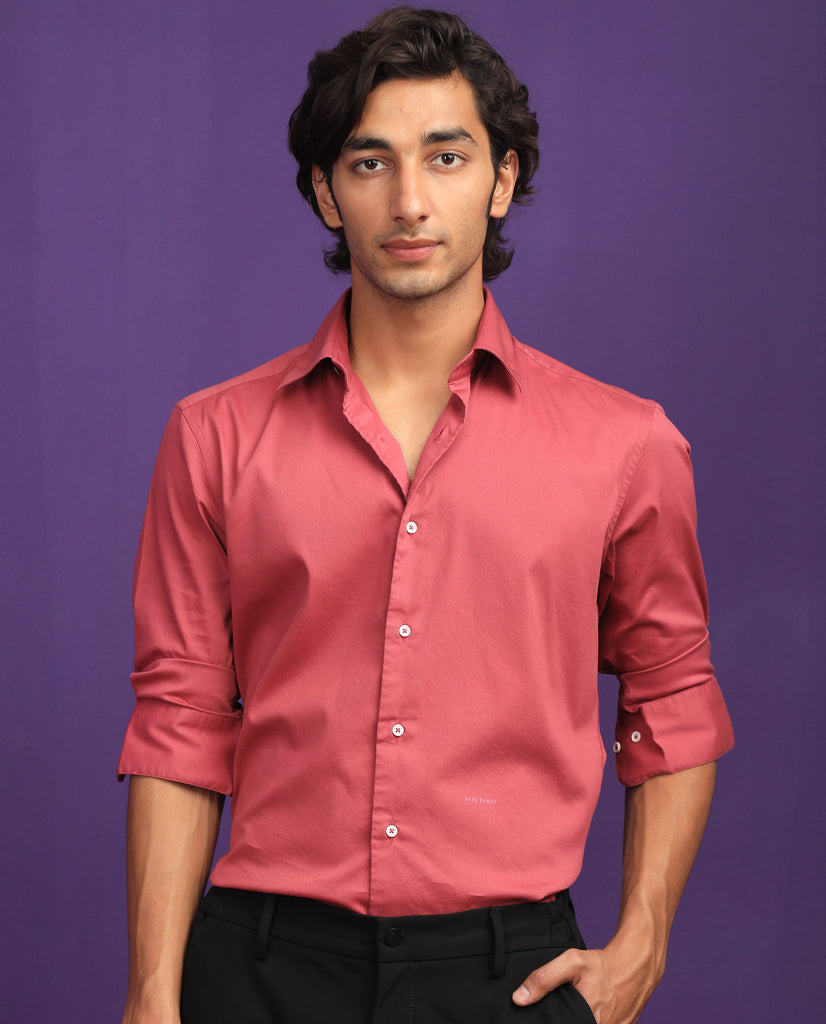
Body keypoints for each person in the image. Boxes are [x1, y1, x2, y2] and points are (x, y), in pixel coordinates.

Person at [118, 7, 733, 1024]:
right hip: (261, 967)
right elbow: (181, 718)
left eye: (446, 158)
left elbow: (672, 695)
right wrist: (151, 994)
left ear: (500, 179)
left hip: (509, 973)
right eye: (371, 164)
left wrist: (643, 943)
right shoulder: (214, 435)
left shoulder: (625, 444)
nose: (410, 201)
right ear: (327, 191)